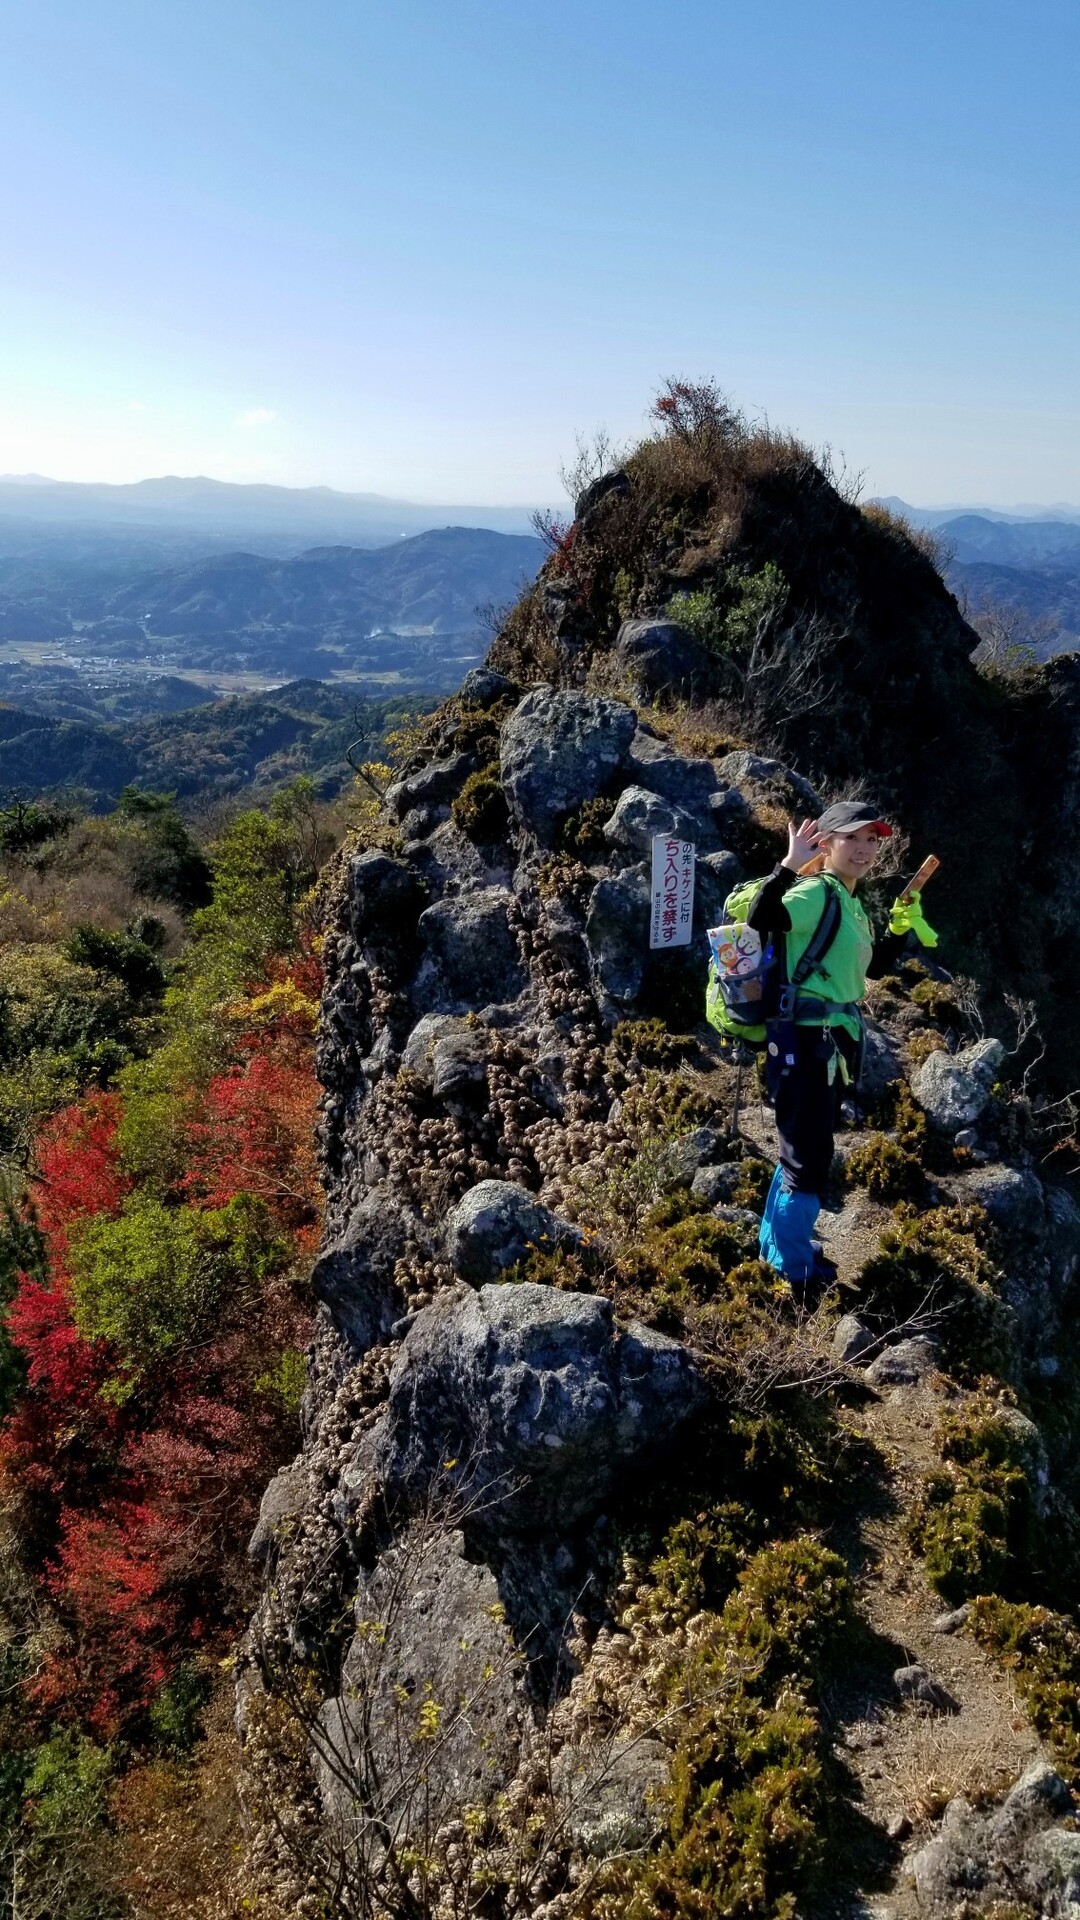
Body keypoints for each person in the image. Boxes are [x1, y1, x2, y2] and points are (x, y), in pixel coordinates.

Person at [746, 800, 937, 1288]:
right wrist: (789, 865)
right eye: (852, 837)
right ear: (827, 843)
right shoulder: (816, 892)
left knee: (803, 1146)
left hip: (828, 1044)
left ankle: (777, 1247)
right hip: (805, 1039)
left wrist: (897, 928)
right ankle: (794, 1270)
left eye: (871, 839)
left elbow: (871, 970)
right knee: (808, 1158)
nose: (864, 848)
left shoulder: (850, 901)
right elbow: (761, 917)